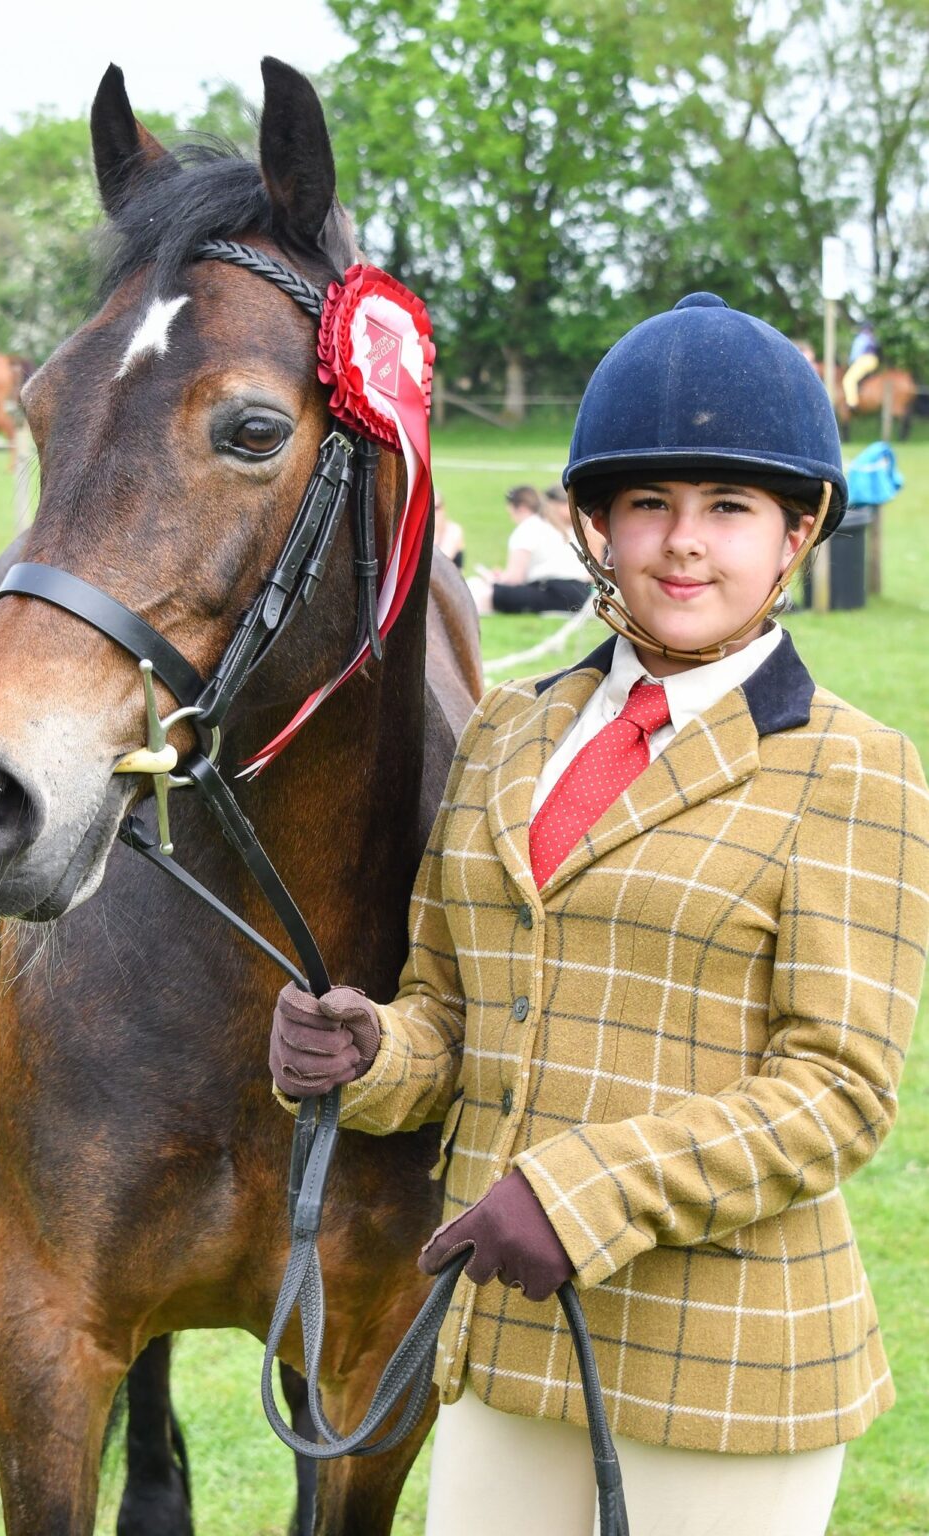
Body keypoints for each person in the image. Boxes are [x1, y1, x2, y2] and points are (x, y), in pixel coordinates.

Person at [269, 292, 929, 1536]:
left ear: (794, 535)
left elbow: (836, 1092)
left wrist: (583, 1194)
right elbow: (455, 1017)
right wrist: (369, 1052)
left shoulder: (857, 770)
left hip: (725, 1373)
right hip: (499, 1348)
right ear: (597, 527)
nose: (684, 545)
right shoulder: (509, 735)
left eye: (727, 509)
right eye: (650, 507)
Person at [469, 484, 592, 615]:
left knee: (480, 588)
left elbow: (515, 579)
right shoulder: (559, 526)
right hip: (581, 592)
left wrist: (494, 580)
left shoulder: (528, 528)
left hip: (556, 592)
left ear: (521, 508)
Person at [842, 321, 879, 409]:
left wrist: (850, 362)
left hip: (864, 360)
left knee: (848, 380)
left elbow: (855, 353)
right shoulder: (873, 338)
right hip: (874, 361)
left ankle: (852, 402)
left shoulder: (861, 338)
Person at [434, 485, 466, 568]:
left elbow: (443, 559)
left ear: (443, 508)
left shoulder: (454, 530)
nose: (433, 513)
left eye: (436, 508)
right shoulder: (425, 534)